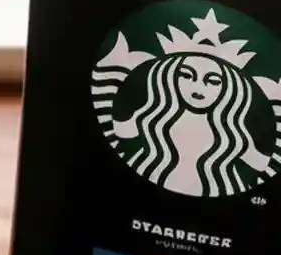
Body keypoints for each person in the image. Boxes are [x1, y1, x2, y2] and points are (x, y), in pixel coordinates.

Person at [109, 54, 272, 197]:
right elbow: (120, 132)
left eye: (213, 81)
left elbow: (261, 164)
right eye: (186, 75)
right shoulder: (151, 118)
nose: (197, 88)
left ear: (229, 86)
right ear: (170, 76)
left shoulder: (234, 135)